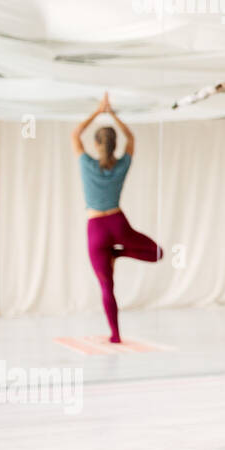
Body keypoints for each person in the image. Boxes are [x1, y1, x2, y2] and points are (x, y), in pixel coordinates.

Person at [71, 92, 163, 343]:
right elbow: (131, 138)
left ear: (96, 143)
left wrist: (98, 112)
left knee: (106, 286)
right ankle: (119, 254)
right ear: (114, 145)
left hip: (96, 229)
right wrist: (112, 114)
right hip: (118, 224)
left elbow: (75, 134)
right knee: (158, 253)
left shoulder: (85, 163)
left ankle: (115, 335)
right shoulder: (122, 164)